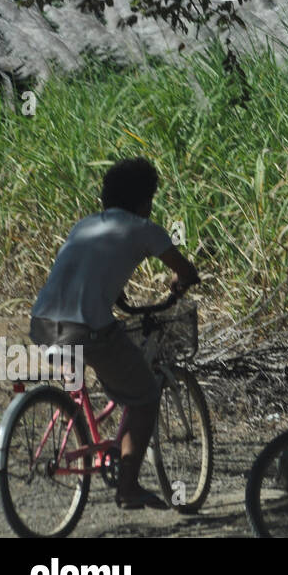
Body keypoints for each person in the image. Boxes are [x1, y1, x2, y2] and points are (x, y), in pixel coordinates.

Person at [28, 158, 201, 510]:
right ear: (145, 201)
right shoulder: (145, 228)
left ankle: (75, 416)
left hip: (42, 321)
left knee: (91, 366)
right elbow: (186, 270)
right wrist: (179, 283)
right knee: (146, 395)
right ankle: (129, 487)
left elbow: (88, 268)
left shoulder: (85, 225)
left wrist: (114, 293)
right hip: (86, 327)